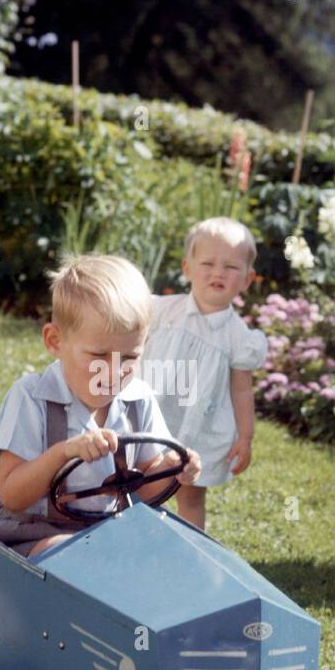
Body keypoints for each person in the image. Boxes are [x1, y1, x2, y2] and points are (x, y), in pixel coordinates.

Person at [0, 253, 201, 560]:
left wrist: (174, 469)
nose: (113, 370)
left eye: (129, 357)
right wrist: (64, 452)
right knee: (69, 556)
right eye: (99, 355)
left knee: (168, 551)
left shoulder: (138, 400)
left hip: (107, 531)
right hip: (34, 535)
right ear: (55, 341)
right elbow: (13, 496)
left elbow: (145, 487)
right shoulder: (32, 398)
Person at [140, 218, 268, 532]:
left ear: (248, 279)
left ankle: (190, 548)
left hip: (200, 427)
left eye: (231, 267)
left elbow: (241, 389)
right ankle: (133, 535)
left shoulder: (239, 337)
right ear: (187, 268)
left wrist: (245, 436)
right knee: (139, 481)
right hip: (153, 415)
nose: (218, 272)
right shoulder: (162, 310)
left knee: (191, 494)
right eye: (207, 263)